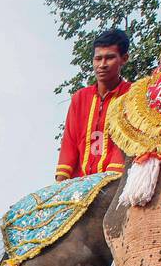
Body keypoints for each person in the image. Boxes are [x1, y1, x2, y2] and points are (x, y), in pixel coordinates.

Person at [55, 29, 130, 181]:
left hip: (116, 180)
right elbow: (69, 142)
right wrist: (61, 181)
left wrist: (111, 178)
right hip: (79, 183)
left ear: (124, 59)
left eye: (109, 58)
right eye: (98, 59)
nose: (102, 65)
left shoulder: (133, 95)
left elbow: (126, 141)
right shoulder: (80, 97)